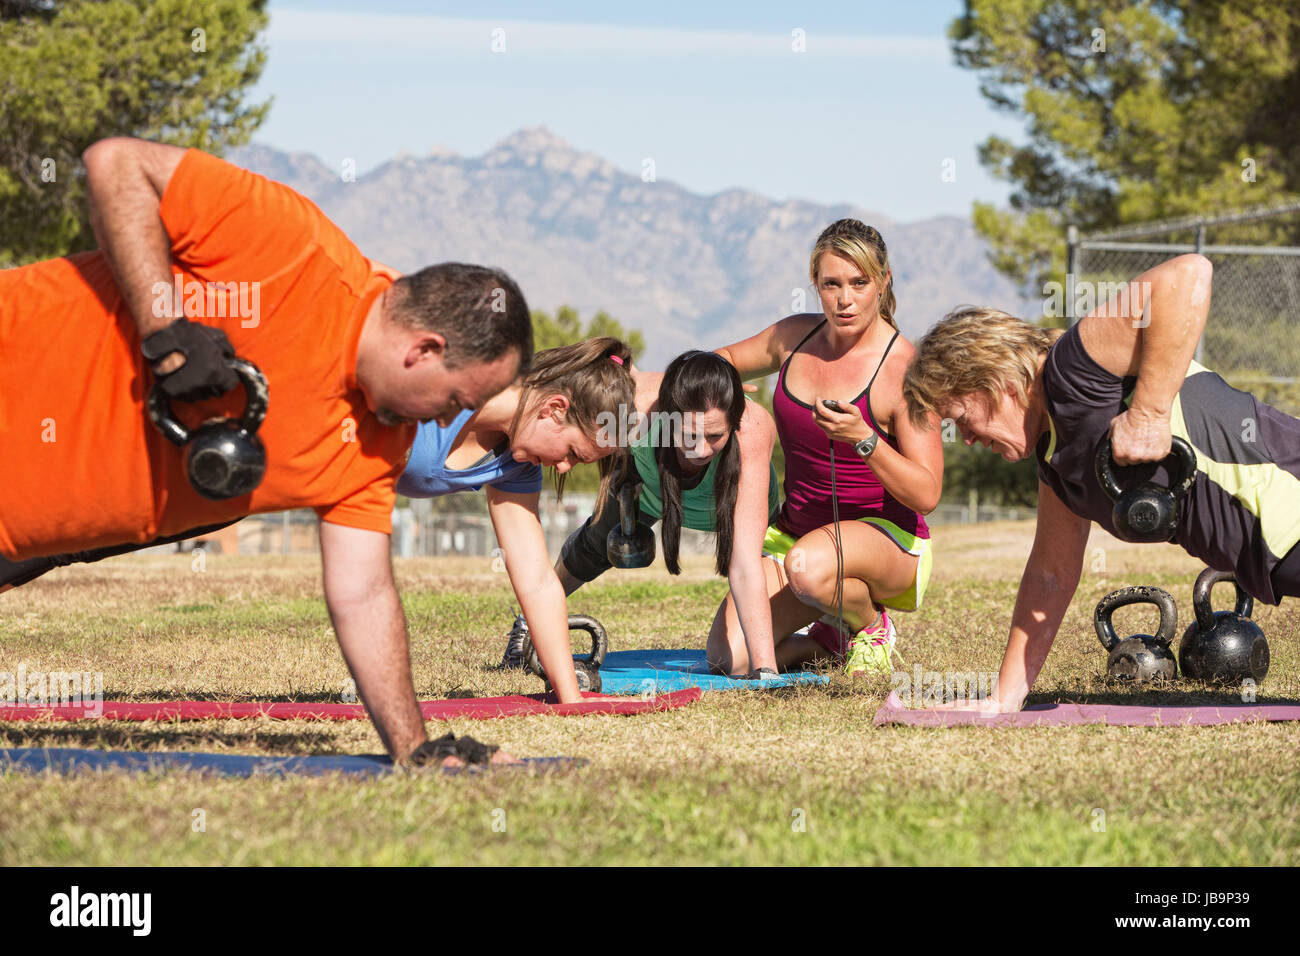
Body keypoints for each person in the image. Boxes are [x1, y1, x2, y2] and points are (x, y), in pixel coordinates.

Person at [0, 137, 531, 766]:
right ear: (424, 349)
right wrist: (165, 330)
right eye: (451, 400)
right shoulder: (292, 248)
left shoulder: (380, 442)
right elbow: (115, 162)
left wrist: (414, 748)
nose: (448, 420)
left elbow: (363, 592)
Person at [901, 253, 1300, 713]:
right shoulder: (1056, 463)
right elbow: (1050, 574)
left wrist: (1148, 412)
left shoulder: (1074, 369)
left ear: (995, 382)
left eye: (962, 418)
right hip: (1275, 553)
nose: (967, 439)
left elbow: (1188, 274)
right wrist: (1004, 698)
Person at [715, 219, 943, 675]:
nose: (845, 299)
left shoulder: (905, 369)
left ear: (883, 281)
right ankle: (832, 642)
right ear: (815, 285)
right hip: (797, 535)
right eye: (831, 284)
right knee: (731, 660)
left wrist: (864, 439)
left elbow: (927, 493)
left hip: (888, 542)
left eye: (860, 283)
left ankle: (871, 623)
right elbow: (722, 361)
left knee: (807, 565)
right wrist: (722, 396)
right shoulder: (792, 338)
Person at [398, 336, 637, 697]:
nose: (563, 467)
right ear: (554, 408)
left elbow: (538, 581)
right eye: (572, 452)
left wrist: (571, 698)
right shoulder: (443, 386)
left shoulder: (517, 468)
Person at [541, 350, 782, 677]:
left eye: (715, 436)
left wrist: (765, 668)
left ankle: (810, 634)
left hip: (737, 514)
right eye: (689, 434)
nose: (700, 450)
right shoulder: (638, 409)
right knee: (593, 544)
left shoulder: (751, 428)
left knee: (729, 660)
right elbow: (611, 365)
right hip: (654, 492)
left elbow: (744, 565)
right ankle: (532, 620)